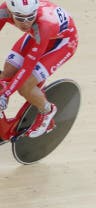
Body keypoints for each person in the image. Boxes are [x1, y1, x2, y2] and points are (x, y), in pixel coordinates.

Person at [0, 0, 78, 138]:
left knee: (25, 86)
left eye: (30, 17)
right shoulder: (3, 11)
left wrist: (6, 94)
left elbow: (27, 66)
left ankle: (47, 110)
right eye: (20, 18)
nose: (26, 23)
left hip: (63, 43)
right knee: (7, 72)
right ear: (10, 12)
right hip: (36, 34)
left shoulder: (43, 25)